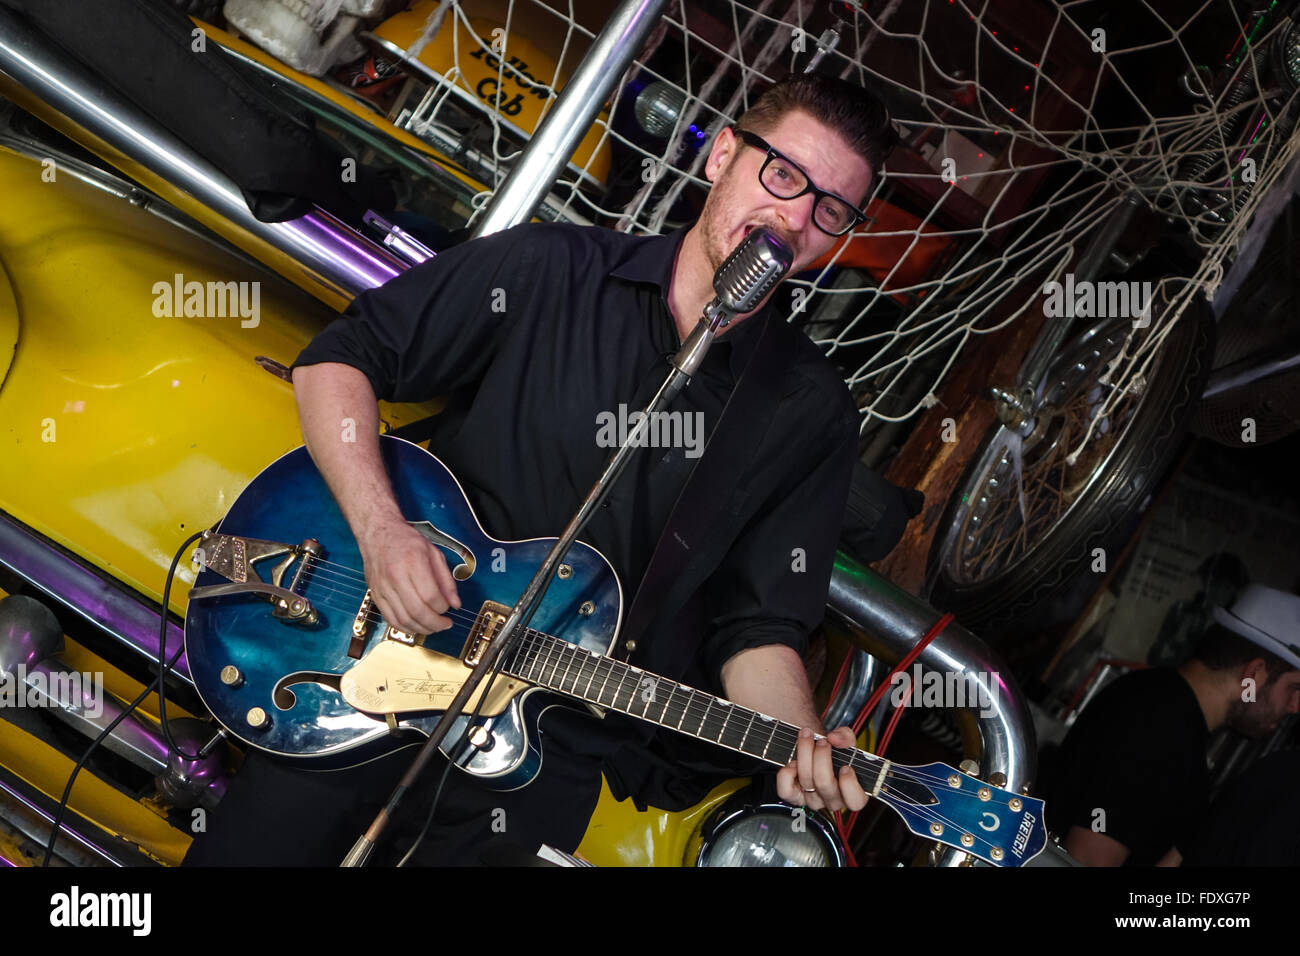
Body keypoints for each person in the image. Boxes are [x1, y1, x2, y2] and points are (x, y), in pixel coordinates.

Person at [183, 72, 897, 865]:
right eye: (784, 174)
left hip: (538, 758)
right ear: (722, 154)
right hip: (367, 673)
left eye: (830, 209)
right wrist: (383, 534)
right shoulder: (555, 267)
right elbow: (338, 365)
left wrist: (797, 741)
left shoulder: (806, 408)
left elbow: (760, 625)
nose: (794, 217)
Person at [1044, 583, 1300, 866]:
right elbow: (1089, 859)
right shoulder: (1160, 726)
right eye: (1293, 688)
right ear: (1252, 674)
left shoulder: (1168, 711)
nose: (1295, 707)